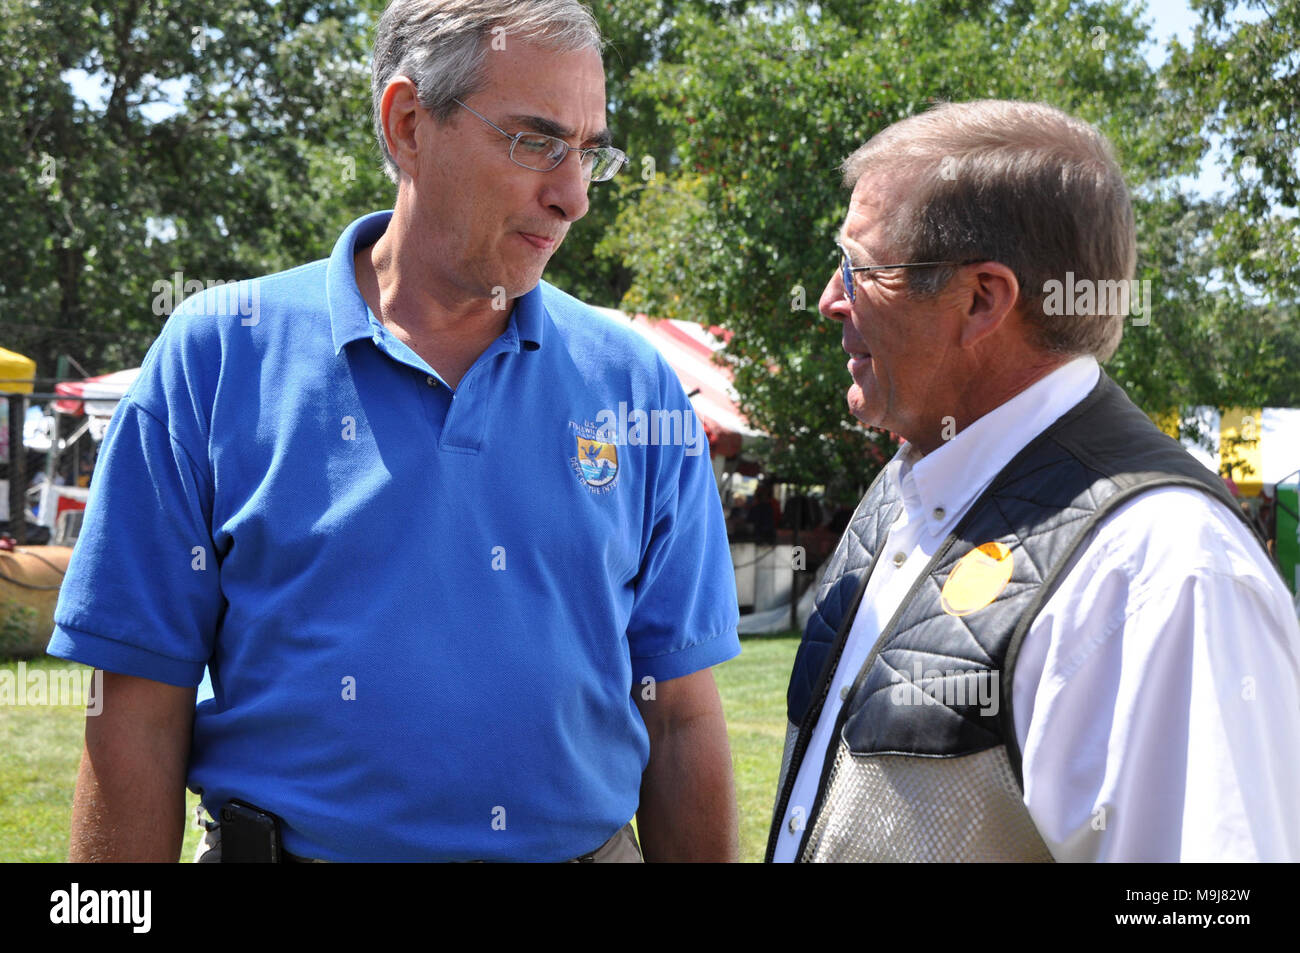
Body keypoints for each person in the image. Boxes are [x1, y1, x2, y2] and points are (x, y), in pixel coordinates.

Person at [49, 0, 741, 863]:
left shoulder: (634, 385)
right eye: (537, 142)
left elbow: (679, 715)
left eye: (590, 152)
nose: (573, 195)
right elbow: (135, 711)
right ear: (408, 123)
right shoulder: (217, 355)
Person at [768, 100, 1300, 863]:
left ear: (983, 299)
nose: (830, 298)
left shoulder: (1166, 570)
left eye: (863, 268)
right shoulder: (914, 479)